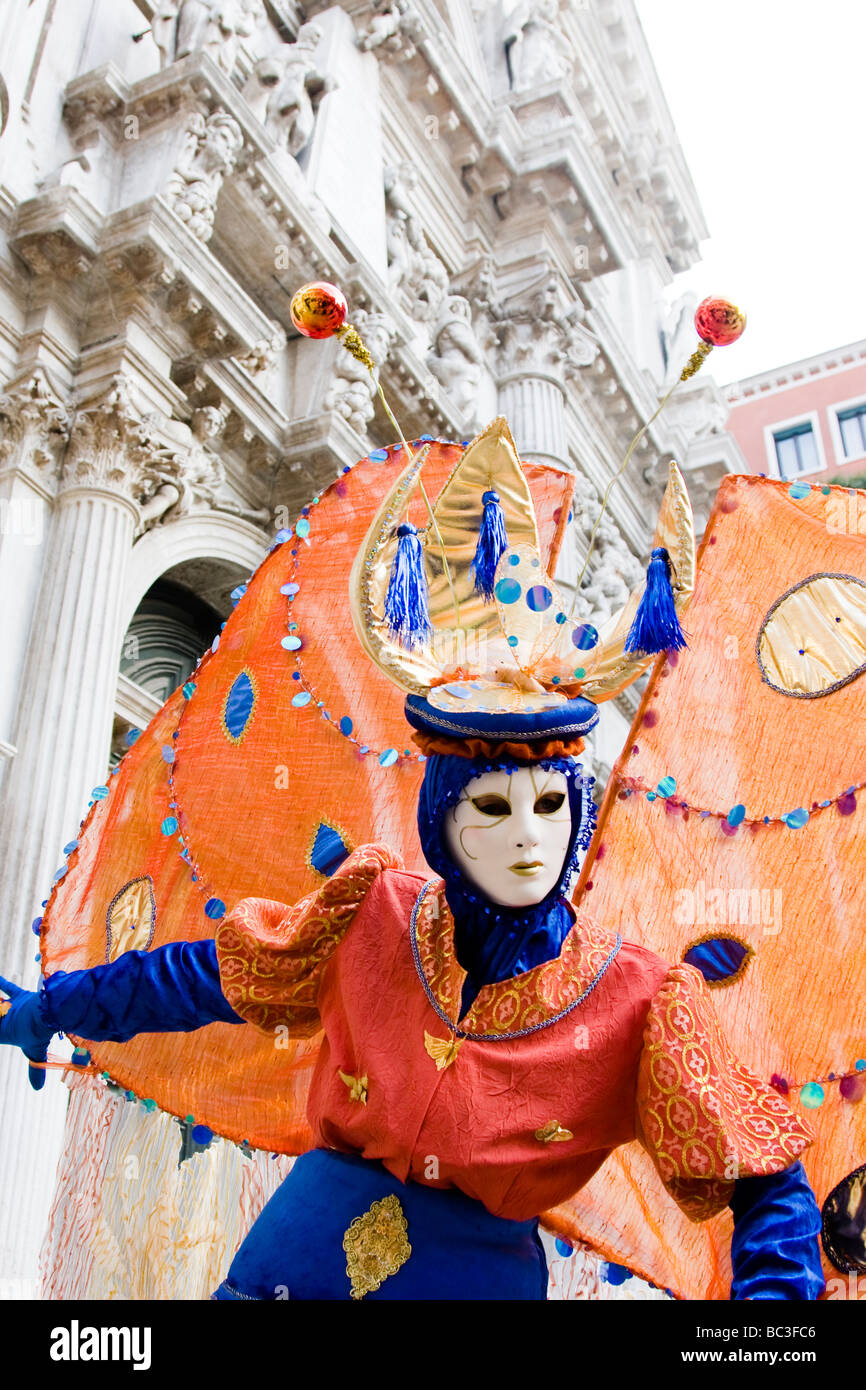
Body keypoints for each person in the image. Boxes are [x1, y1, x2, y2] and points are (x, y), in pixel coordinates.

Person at [0, 419, 825, 1301]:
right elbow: (209, 977)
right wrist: (53, 1008)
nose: (528, 836)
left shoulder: (640, 1001)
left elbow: (764, 1171)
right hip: (287, 1275)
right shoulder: (371, 914)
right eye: (492, 807)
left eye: (551, 806)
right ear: (442, 817)